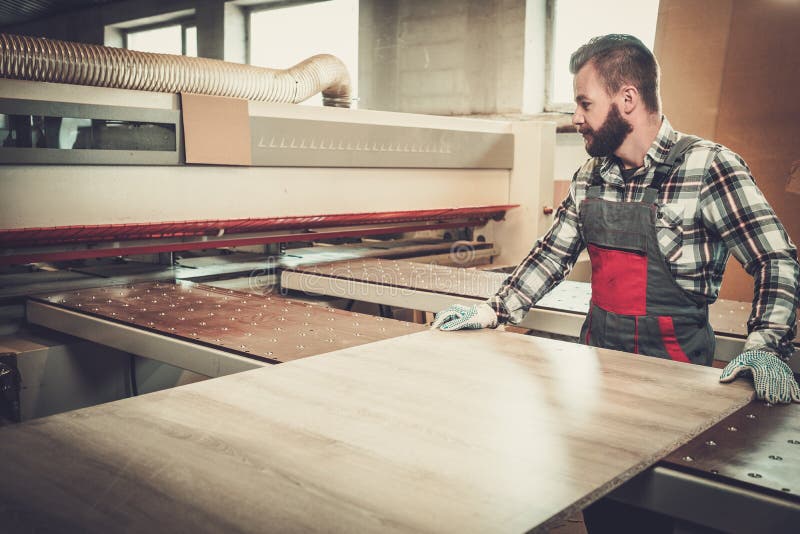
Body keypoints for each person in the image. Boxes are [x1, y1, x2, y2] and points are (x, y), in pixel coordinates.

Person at [431, 32, 800, 533]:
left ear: (627, 99)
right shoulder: (591, 176)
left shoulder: (708, 167)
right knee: (607, 516)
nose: (575, 117)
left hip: (677, 391)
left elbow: (775, 256)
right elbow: (552, 253)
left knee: (666, 513)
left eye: (584, 103)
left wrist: (765, 343)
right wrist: (495, 308)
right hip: (597, 385)